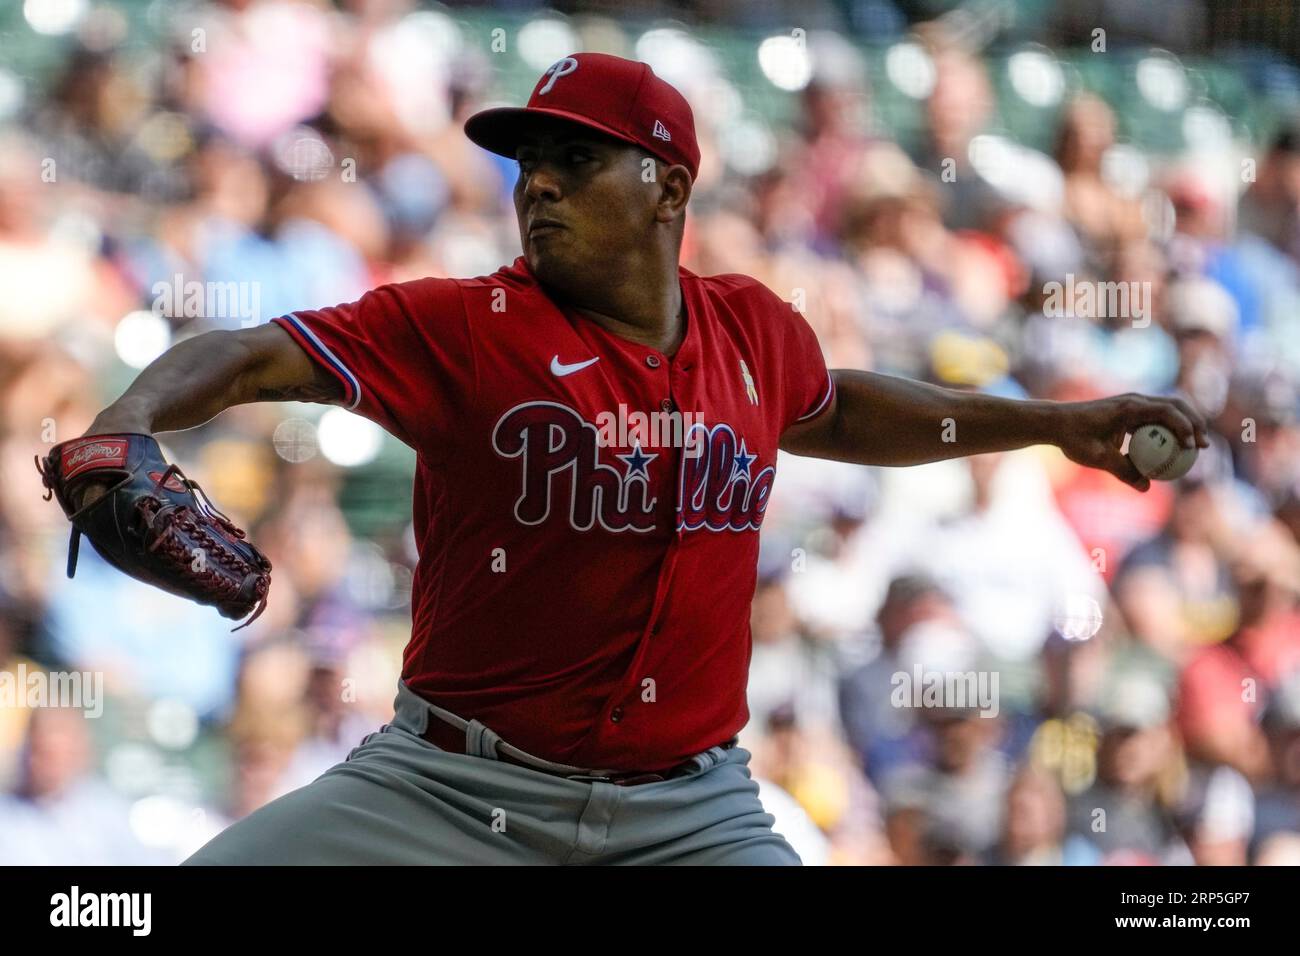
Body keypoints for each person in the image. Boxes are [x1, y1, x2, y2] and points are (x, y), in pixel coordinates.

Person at [70, 52, 1208, 865]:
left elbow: (842, 413)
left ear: (668, 185)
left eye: (575, 159)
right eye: (528, 166)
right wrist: (127, 418)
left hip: (691, 814)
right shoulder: (463, 324)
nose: (538, 185)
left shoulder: (755, 329)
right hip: (451, 791)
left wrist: (1050, 422)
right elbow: (253, 354)